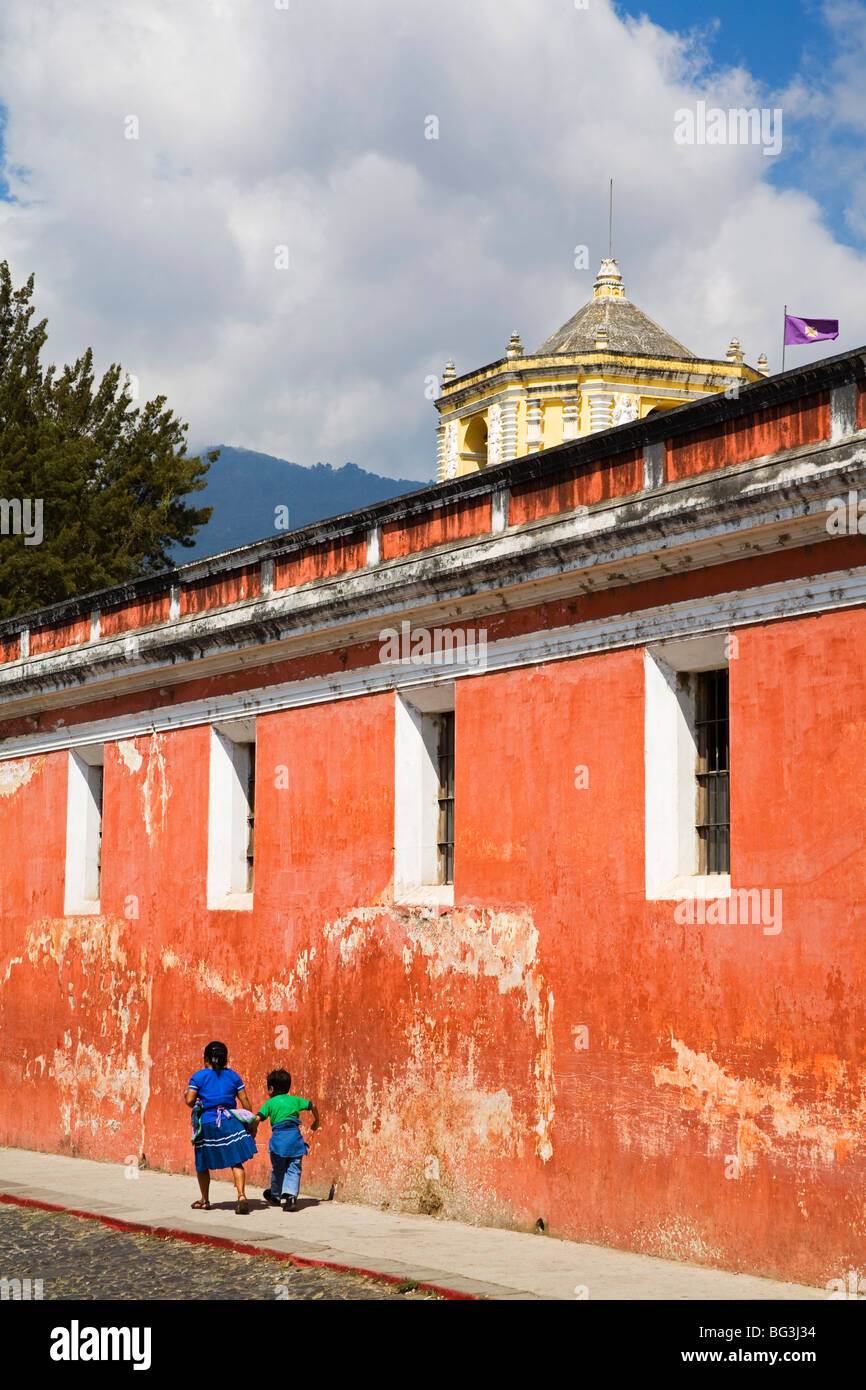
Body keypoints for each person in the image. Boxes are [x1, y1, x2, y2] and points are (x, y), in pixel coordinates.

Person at [185, 1040, 258, 1214]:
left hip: (208, 1123)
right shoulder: (233, 1076)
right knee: (236, 1161)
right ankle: (241, 1196)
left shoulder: (199, 1076)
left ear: (206, 1059)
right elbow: (246, 1102)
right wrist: (249, 1119)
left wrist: (193, 1099)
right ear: (225, 1059)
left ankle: (205, 1200)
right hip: (230, 1121)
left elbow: (189, 1101)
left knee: (202, 1164)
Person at [251, 1068, 319, 1212]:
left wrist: (253, 1131)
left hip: (278, 1142)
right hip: (295, 1139)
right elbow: (313, 1106)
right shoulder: (295, 1100)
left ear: (271, 1088)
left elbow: (258, 1118)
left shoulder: (270, 1103)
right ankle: (291, 1198)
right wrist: (316, 1122)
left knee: (278, 1168)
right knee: (294, 1168)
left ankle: (275, 1195)